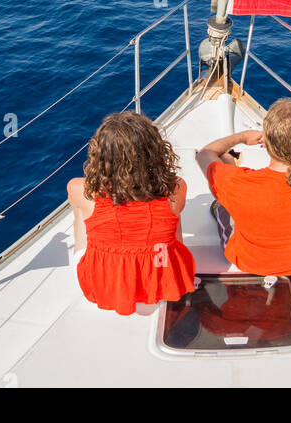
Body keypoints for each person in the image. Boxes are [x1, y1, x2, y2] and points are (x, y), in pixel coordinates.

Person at [197, 98, 291, 276]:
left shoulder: (239, 184)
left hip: (249, 262)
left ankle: (222, 207)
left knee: (225, 159)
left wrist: (240, 137)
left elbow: (204, 154)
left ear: (267, 144)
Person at [68, 110, 196, 316]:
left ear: (101, 155)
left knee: (81, 218)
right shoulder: (176, 188)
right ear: (154, 152)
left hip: (103, 284)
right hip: (162, 274)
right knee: (172, 218)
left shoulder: (79, 189)